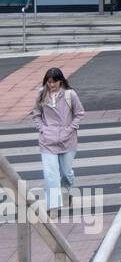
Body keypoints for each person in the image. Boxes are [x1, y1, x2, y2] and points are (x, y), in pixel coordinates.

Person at [32, 68, 85, 214]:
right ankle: (53, 206)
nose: (51, 85)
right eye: (48, 82)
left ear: (60, 81)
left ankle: (68, 190)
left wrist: (70, 129)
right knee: (50, 174)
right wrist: (42, 128)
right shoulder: (41, 94)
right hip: (47, 141)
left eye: (54, 82)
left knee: (66, 172)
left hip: (67, 140)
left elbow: (79, 113)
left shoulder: (70, 94)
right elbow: (36, 114)